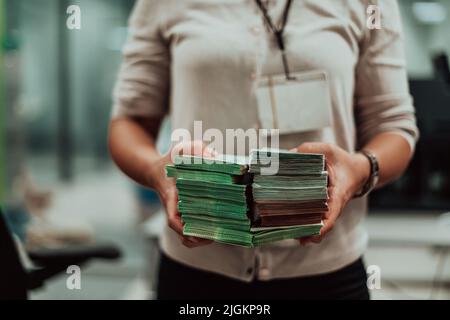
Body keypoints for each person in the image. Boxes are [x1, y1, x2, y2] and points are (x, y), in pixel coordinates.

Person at [109, 0, 418, 300]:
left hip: (326, 271)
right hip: (198, 270)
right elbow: (130, 121)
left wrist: (360, 169)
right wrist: (157, 172)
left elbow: (394, 127)